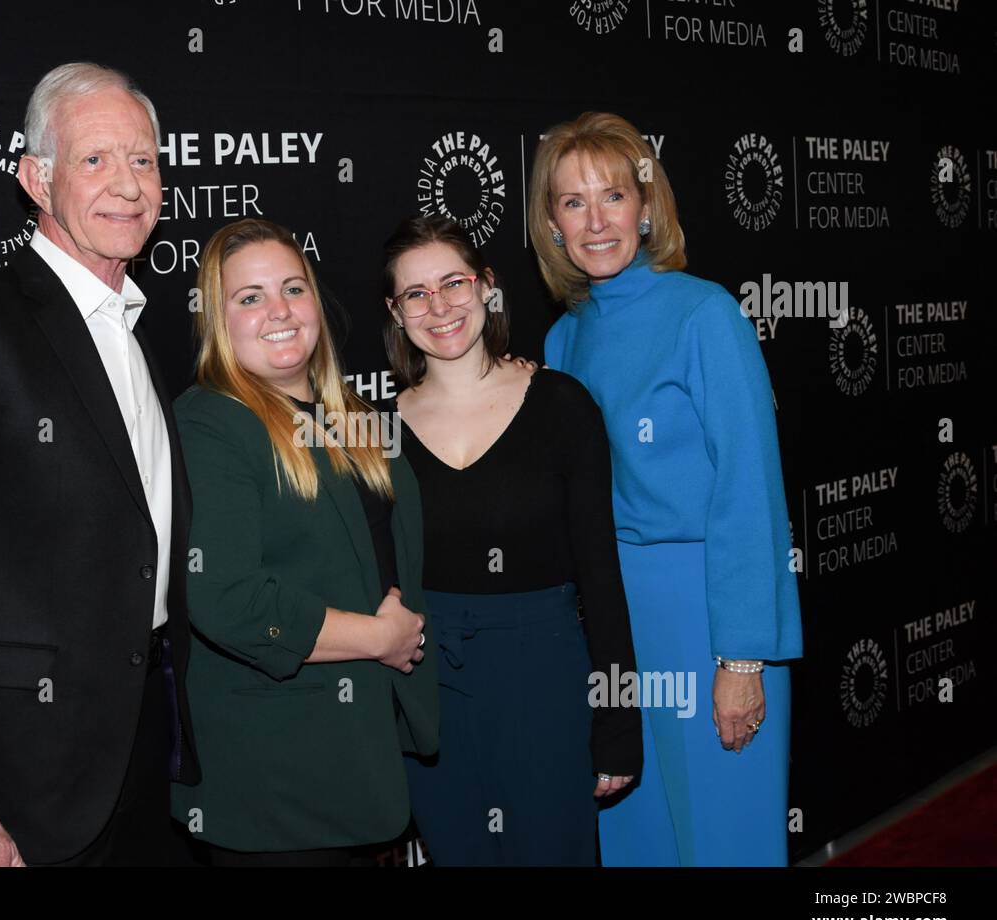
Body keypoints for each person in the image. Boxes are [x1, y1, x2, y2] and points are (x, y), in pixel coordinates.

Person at [0, 62, 198, 866]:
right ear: (35, 179)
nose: (127, 185)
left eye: (144, 161)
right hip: (24, 783)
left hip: (143, 745)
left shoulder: (133, 326)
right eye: (95, 160)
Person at [529, 112, 802, 866]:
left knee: (725, 843)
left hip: (707, 612)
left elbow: (750, 490)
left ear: (647, 208)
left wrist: (741, 659)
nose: (595, 221)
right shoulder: (562, 339)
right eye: (572, 203)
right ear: (550, 224)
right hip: (613, 621)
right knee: (636, 838)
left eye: (612, 196)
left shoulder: (706, 315)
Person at [171, 217, 437, 865]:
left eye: (294, 288)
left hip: (366, 756)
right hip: (276, 787)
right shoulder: (209, 423)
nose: (279, 311)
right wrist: (381, 638)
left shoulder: (359, 418)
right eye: (250, 297)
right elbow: (229, 600)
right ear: (218, 319)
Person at [378, 214, 640, 866]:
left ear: (487, 286)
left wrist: (617, 724)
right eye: (416, 293)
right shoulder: (376, 431)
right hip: (431, 693)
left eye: (453, 283)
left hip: (546, 682)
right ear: (395, 310)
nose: (438, 307)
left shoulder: (561, 405)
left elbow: (602, 579)